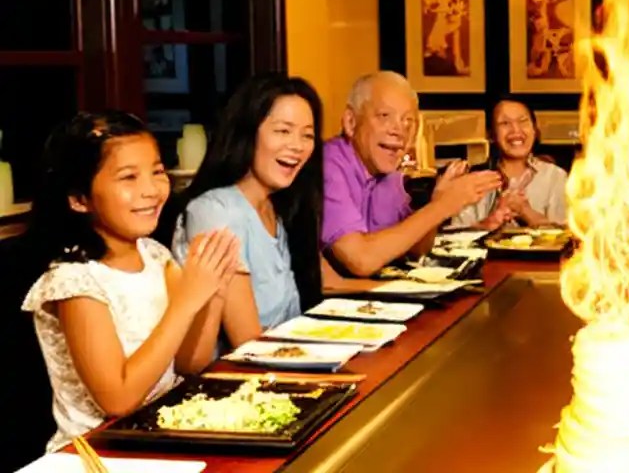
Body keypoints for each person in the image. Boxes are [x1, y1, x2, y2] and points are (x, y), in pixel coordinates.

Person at [21, 112, 239, 452]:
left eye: (156, 172)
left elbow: (188, 362)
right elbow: (118, 399)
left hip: (159, 437)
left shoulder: (155, 255)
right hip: (98, 452)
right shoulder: (74, 281)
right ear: (80, 199)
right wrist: (186, 302)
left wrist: (213, 291)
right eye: (129, 178)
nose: (151, 190)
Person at [161, 74, 324, 352]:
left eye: (307, 135)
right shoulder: (215, 211)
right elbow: (249, 344)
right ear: (247, 132)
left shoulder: (278, 208)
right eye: (283, 131)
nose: (297, 145)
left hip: (284, 367)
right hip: (238, 384)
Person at [322, 71, 502, 276]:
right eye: (384, 116)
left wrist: (438, 201)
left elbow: (416, 249)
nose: (399, 130)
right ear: (351, 122)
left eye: (408, 121)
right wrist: (443, 206)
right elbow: (361, 259)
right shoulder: (327, 165)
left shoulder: (388, 174)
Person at [451, 98, 568, 231]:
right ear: (491, 134)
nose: (516, 130)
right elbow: (454, 237)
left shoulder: (556, 177)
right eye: (505, 123)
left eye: (523, 121)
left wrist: (525, 211)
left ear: (535, 130)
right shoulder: (473, 181)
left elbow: (571, 236)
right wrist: (490, 221)